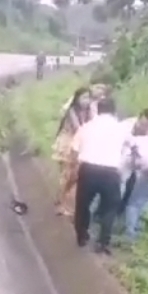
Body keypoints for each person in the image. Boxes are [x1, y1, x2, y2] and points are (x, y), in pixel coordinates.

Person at [70, 97, 128, 254]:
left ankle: (82, 236)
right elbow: (128, 150)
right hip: (110, 172)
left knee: (83, 204)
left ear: (98, 110)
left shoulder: (87, 127)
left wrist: (74, 169)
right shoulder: (121, 128)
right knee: (110, 207)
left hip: (88, 170)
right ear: (114, 111)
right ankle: (103, 242)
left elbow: (74, 149)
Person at [52, 87, 94, 217]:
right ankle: (60, 205)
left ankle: (61, 199)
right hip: (68, 145)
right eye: (83, 97)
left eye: (88, 98)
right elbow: (78, 129)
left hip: (79, 144)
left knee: (74, 177)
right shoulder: (71, 111)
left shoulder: (88, 111)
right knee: (66, 176)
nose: (86, 101)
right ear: (77, 99)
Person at [119, 109, 148, 210]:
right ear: (138, 119)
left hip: (141, 158)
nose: (143, 128)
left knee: (136, 184)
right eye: (142, 124)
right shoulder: (125, 126)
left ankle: (126, 206)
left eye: (147, 125)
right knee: (120, 182)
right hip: (124, 155)